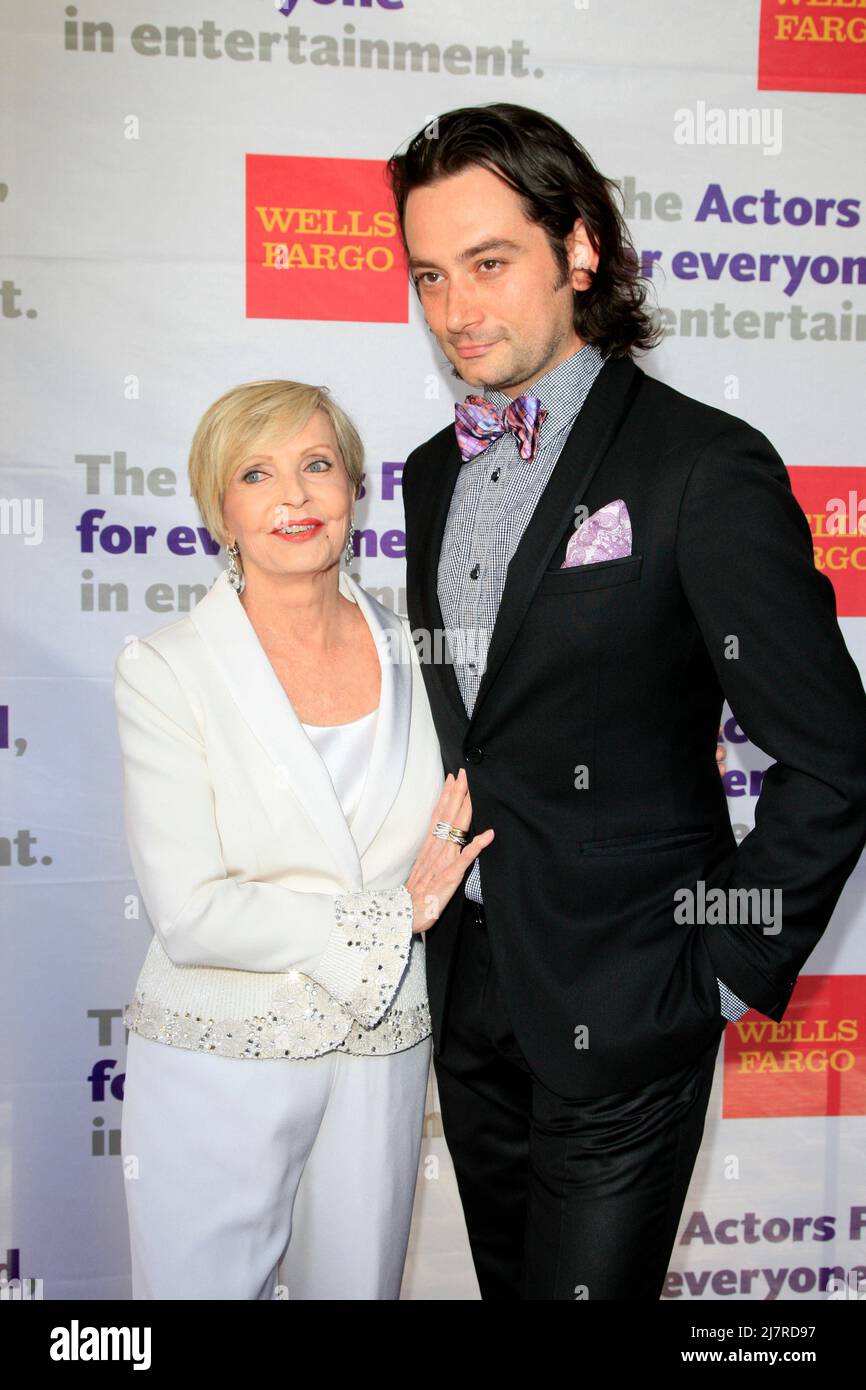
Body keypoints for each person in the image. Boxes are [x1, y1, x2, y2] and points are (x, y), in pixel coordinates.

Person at [386, 102, 866, 1300]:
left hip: (632, 986)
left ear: (579, 249)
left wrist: (714, 964)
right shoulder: (431, 472)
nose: (455, 311)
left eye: (489, 264)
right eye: (430, 275)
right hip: (471, 985)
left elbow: (833, 755)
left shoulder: (699, 465)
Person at [114, 379, 493, 1300]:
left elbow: (455, 815)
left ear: (355, 489)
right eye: (258, 473)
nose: (295, 496)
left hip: (381, 1054)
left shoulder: (420, 653)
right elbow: (193, 913)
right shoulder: (165, 669)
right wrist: (390, 918)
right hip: (219, 1056)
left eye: (317, 465)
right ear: (220, 510)